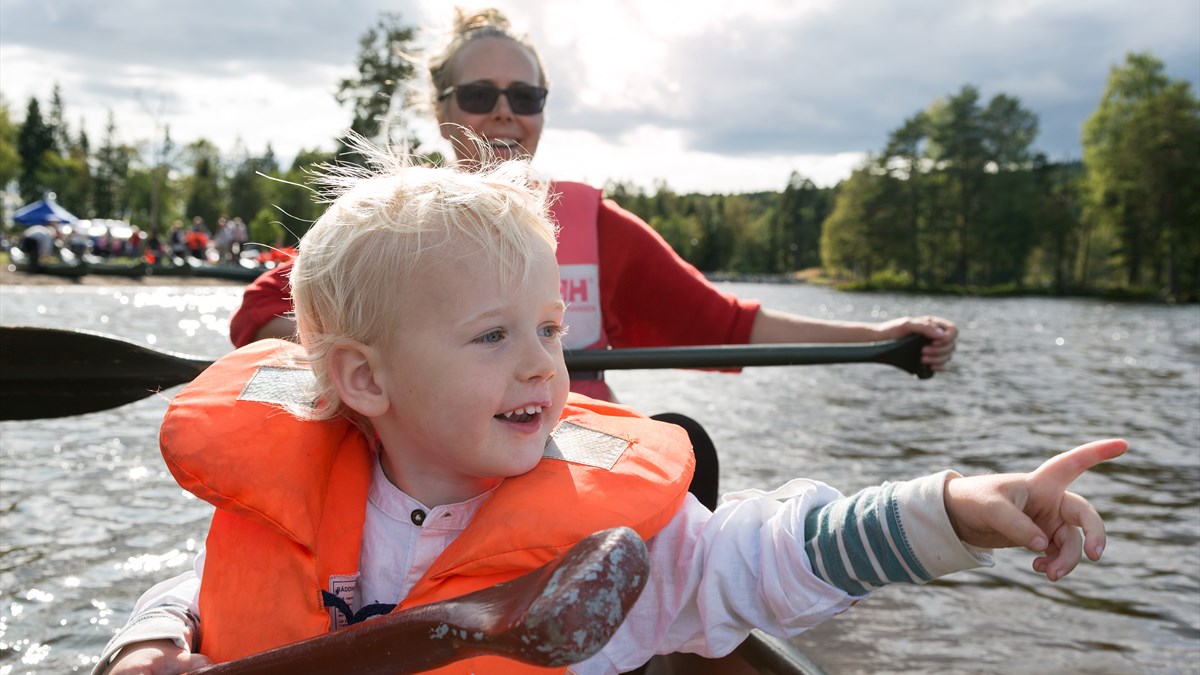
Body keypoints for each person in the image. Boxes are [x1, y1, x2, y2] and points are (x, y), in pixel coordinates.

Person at [96, 148, 1124, 675]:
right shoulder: (305, 488)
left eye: (550, 330)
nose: (547, 365)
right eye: (495, 337)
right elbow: (196, 584)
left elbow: (769, 555)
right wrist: (145, 643)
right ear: (364, 382)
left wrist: (951, 508)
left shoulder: (625, 541)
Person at [229, 9, 959, 511]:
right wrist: (371, 345)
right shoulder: (390, 222)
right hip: (425, 483)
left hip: (567, 471)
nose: (505, 112)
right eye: (481, 95)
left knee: (679, 452)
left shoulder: (591, 225)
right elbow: (263, 312)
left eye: (526, 95)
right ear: (443, 109)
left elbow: (730, 324)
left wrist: (880, 339)